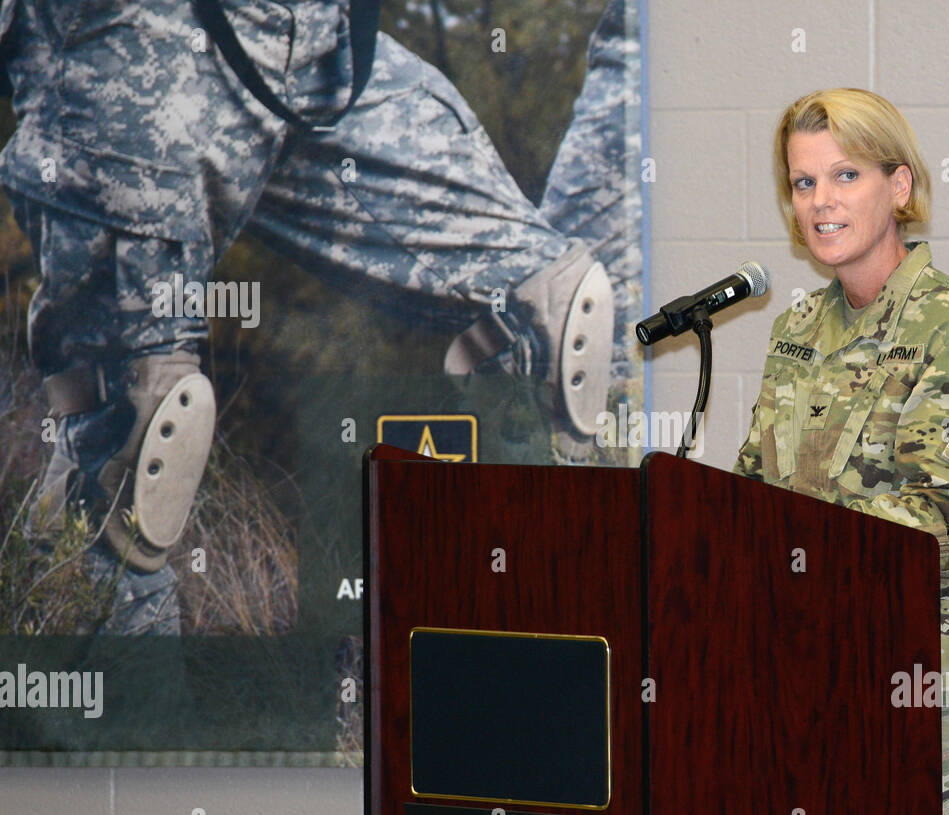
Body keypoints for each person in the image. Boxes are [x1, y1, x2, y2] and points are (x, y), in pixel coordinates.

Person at [0, 0, 637, 635]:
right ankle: (107, 722)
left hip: (322, 47)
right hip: (134, 45)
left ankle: (531, 650)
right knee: (136, 434)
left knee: (551, 312)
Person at [734, 88, 949, 815]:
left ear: (899, 188)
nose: (820, 202)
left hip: (937, 708)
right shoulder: (796, 331)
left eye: (845, 177)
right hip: (810, 694)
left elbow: (943, 521)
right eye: (804, 184)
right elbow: (751, 490)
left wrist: (793, 558)